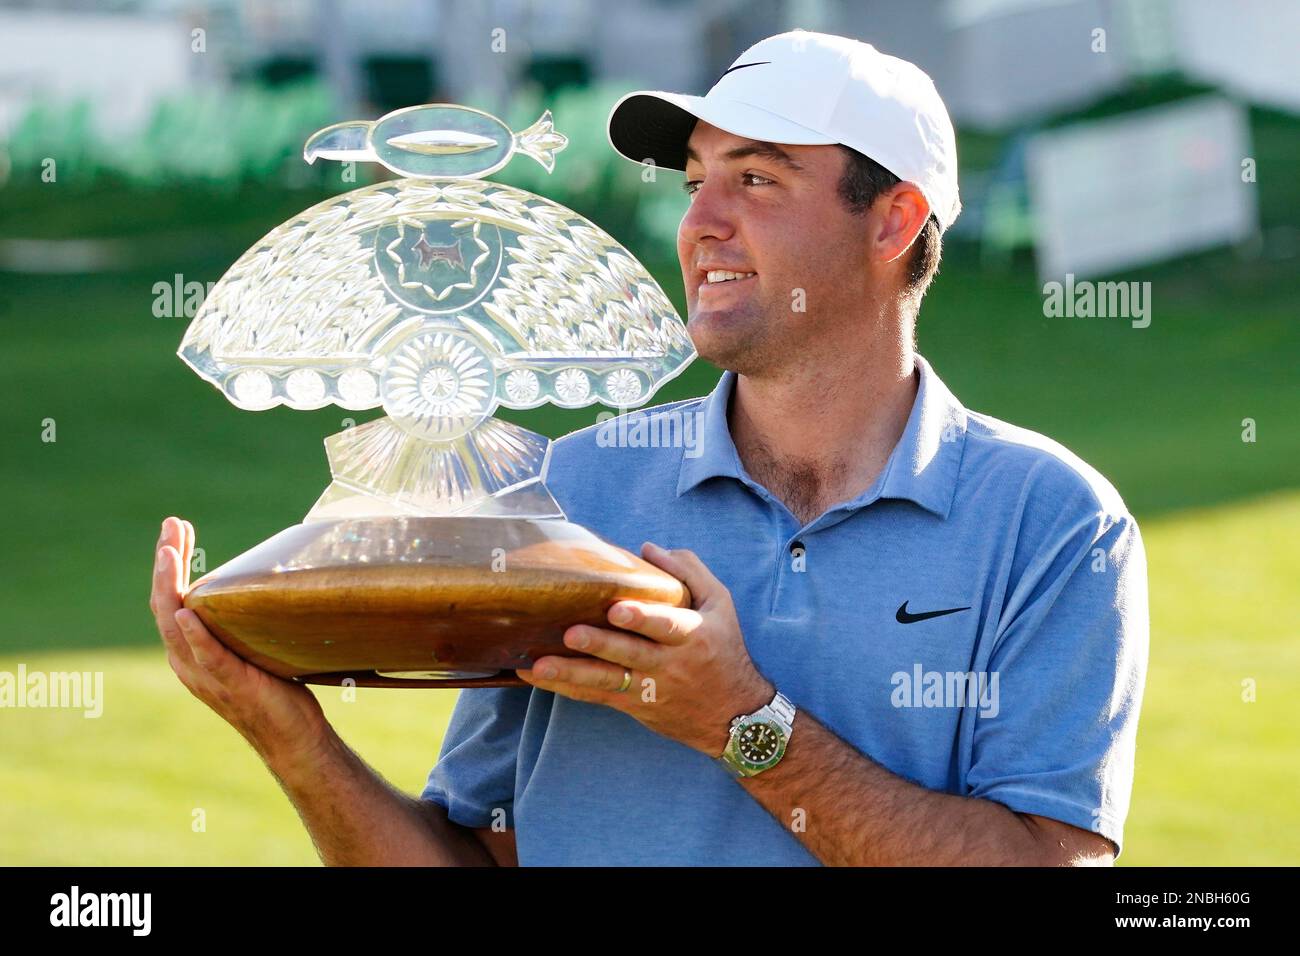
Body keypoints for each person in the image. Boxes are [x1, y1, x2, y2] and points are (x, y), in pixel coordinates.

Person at [150, 30, 1147, 866]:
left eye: (755, 179)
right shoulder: (567, 490)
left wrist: (741, 723)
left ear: (893, 221)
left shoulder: (1052, 521)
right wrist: (285, 732)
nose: (699, 222)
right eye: (695, 179)